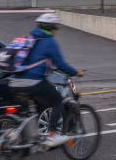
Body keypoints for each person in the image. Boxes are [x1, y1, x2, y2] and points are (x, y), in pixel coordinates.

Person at [13, 13, 84, 147]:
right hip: (33, 81)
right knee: (57, 100)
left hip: (15, 81)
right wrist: (76, 72)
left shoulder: (29, 38)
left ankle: (14, 134)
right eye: (55, 27)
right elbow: (61, 64)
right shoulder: (49, 42)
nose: (56, 31)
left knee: (27, 111)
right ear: (51, 28)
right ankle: (52, 135)